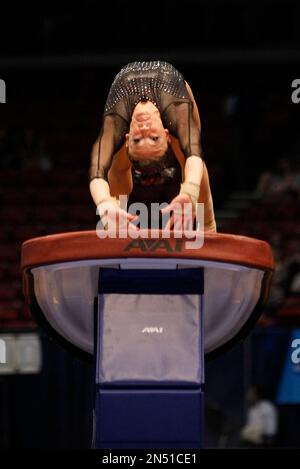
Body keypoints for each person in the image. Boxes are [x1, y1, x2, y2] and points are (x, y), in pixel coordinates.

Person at [89, 60, 216, 232]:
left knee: (117, 167)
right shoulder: (176, 110)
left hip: (155, 112)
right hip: (176, 104)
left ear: (127, 139)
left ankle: (207, 227)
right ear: (166, 135)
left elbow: (97, 171)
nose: (144, 130)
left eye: (137, 140)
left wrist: (104, 204)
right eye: (154, 138)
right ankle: (209, 226)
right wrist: (189, 193)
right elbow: (194, 154)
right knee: (190, 156)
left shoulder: (116, 123)